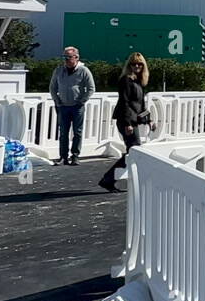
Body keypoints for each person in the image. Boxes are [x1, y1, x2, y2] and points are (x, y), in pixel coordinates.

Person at [99, 53, 153, 193]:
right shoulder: (126, 80)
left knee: (133, 150)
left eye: (140, 64)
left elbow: (141, 105)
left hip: (133, 120)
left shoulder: (139, 82)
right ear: (129, 65)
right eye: (134, 64)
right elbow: (125, 102)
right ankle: (109, 179)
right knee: (134, 149)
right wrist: (128, 123)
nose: (137, 66)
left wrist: (149, 120)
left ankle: (110, 179)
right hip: (126, 120)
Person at [49, 46, 95, 165]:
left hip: (77, 106)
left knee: (77, 132)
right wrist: (57, 100)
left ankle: (75, 155)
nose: (66, 60)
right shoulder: (59, 70)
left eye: (69, 57)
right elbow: (52, 87)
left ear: (76, 57)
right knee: (63, 132)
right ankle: (63, 156)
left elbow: (91, 88)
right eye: (64, 57)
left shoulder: (84, 70)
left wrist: (82, 100)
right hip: (63, 106)